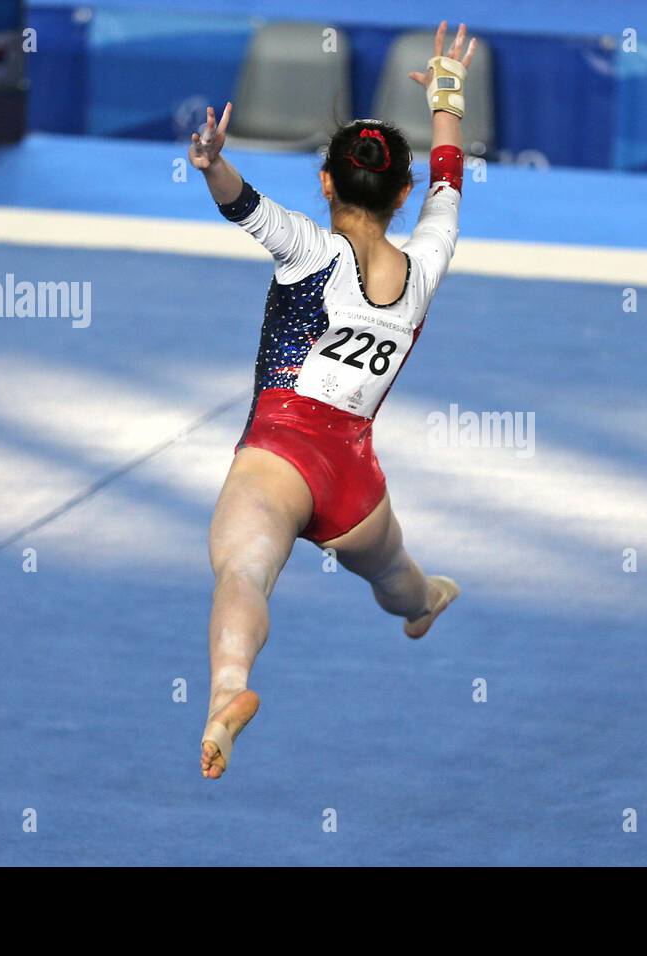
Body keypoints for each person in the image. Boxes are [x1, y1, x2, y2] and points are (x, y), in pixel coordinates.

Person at [190, 21, 477, 779]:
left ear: (325, 182)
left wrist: (211, 162)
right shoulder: (427, 262)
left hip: (277, 460)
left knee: (244, 577)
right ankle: (424, 603)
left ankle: (228, 692)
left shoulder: (310, 250)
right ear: (403, 192)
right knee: (396, 578)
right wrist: (446, 87)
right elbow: (451, 179)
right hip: (351, 481)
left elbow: (242, 203)